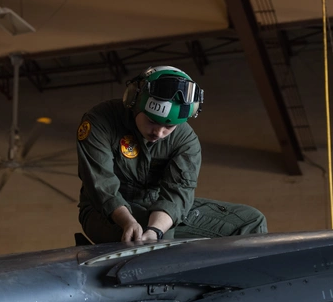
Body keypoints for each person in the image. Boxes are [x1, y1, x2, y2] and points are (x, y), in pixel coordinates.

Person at [76, 65, 267, 245]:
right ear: (133, 102)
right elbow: (101, 185)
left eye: (168, 126)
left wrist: (155, 230)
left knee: (250, 220)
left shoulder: (185, 140)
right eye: (152, 121)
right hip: (103, 210)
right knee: (151, 237)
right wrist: (129, 222)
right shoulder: (100, 122)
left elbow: (177, 194)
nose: (158, 133)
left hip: (156, 205)